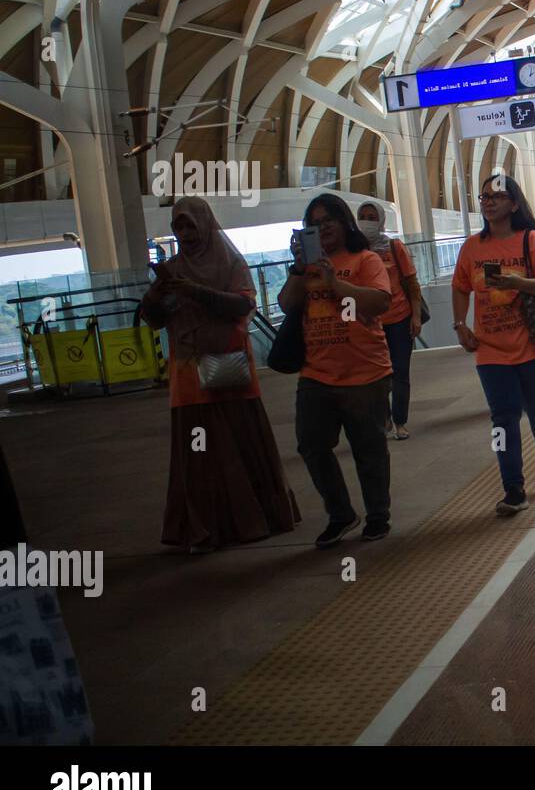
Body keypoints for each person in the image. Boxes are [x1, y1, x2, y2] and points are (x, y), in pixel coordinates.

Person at [141, 197, 300, 554]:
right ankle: (207, 526)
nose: (186, 234)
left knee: (237, 443)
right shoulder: (174, 270)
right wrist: (157, 294)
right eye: (179, 227)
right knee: (200, 453)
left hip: (227, 369)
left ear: (205, 226)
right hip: (187, 372)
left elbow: (243, 304)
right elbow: (154, 318)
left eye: (191, 226)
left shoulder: (230, 262)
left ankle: (253, 517)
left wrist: (196, 291)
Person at [278, 194, 392, 546]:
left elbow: (379, 301)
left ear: (345, 223)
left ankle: (377, 516)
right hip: (315, 372)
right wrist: (299, 269)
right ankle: (340, 513)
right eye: (314, 223)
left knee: (368, 449)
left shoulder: (365, 259)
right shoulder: (305, 267)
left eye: (328, 220)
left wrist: (335, 283)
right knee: (311, 445)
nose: (322, 228)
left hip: (365, 372)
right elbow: (285, 304)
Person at [452, 175, 535, 516]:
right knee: (502, 419)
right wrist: (460, 325)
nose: (488, 202)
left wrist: (519, 282)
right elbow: (459, 287)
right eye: (484, 197)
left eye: (496, 196)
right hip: (490, 350)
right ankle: (512, 487)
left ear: (514, 203)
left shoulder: (531, 240)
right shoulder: (472, 247)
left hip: (534, 345)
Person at [357, 202, 422, 441]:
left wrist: (415, 316)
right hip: (369, 322)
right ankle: (383, 418)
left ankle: (399, 421)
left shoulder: (394, 248)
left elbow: (412, 284)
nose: (367, 221)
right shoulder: (355, 251)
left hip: (399, 317)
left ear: (381, 220)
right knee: (376, 374)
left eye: (372, 217)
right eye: (362, 216)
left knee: (400, 372)